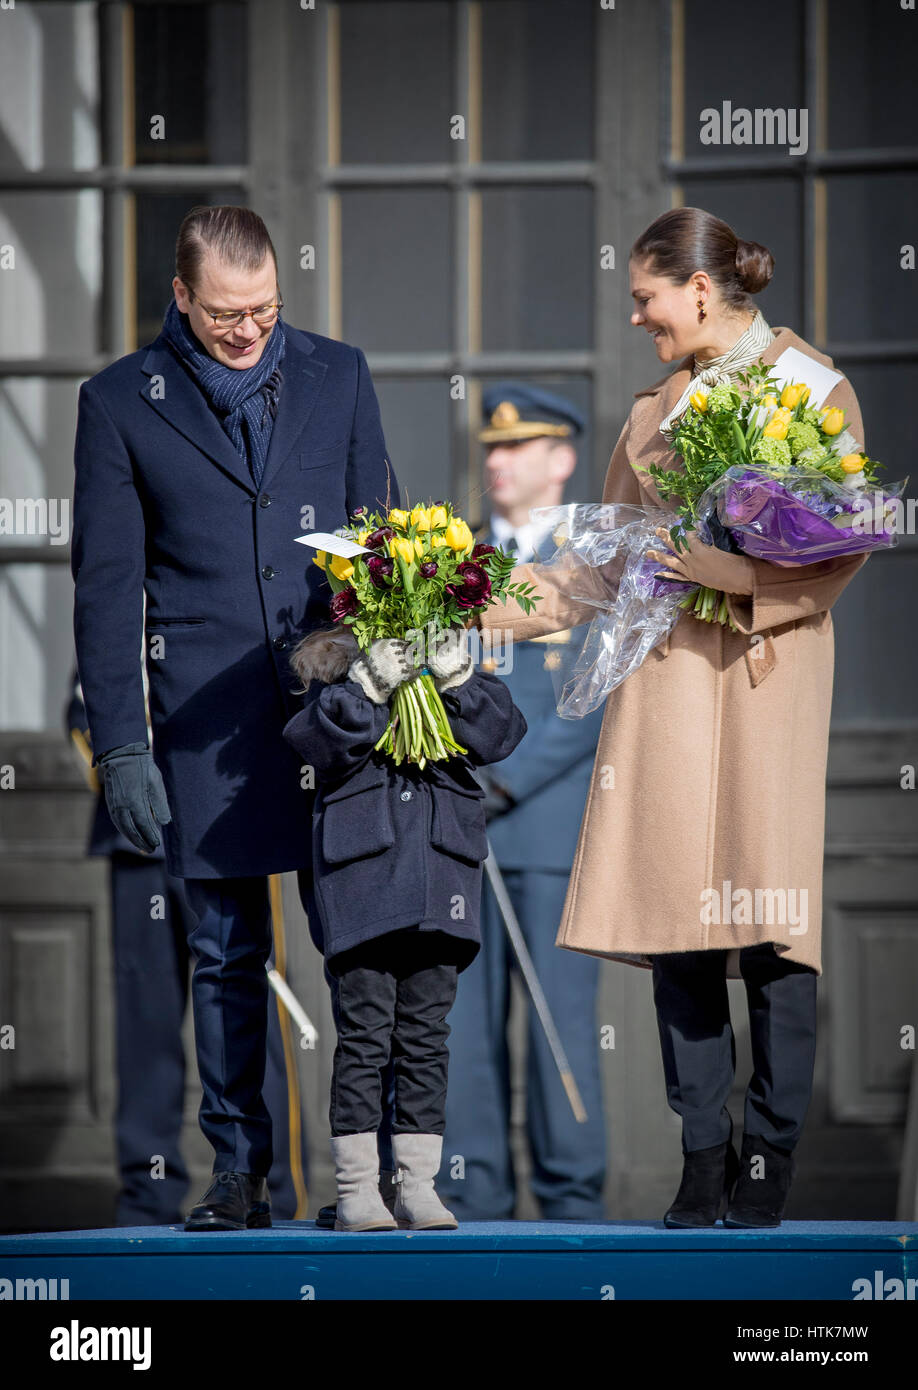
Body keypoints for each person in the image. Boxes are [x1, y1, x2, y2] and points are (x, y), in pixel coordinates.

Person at [470, 206, 871, 1229]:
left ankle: (767, 1157)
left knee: (775, 931)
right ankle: (702, 1156)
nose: (640, 321)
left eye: (647, 300)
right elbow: (588, 571)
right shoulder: (655, 409)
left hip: (763, 683)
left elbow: (826, 568)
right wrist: (453, 602)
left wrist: (711, 565)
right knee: (679, 932)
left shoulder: (814, 389)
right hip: (664, 695)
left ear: (698, 288)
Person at [71, 204, 398, 1232]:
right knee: (221, 956)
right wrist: (122, 742)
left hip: (334, 716)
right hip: (201, 728)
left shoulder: (340, 375)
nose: (247, 331)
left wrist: (399, 688)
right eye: (224, 315)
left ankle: (367, 1176)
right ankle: (239, 1172)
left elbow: (384, 544)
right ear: (180, 296)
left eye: (262, 310)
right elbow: (106, 586)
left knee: (358, 947)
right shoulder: (121, 401)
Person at [281, 625, 527, 1230]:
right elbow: (314, 742)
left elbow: (501, 734)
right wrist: (367, 685)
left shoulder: (448, 655)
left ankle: (418, 1185)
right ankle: (358, 1189)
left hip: (441, 871)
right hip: (364, 874)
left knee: (424, 1036)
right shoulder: (335, 664)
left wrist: (458, 678)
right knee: (365, 1033)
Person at [436, 383, 607, 1221]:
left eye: (520, 447)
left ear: (562, 459)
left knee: (557, 1029)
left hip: (545, 827)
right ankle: (475, 1205)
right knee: (461, 1034)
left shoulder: (593, 554)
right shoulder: (454, 556)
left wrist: (503, 779)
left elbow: (597, 695)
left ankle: (574, 1207)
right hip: (458, 835)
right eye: (493, 448)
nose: (496, 461)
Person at [66, 663, 310, 1225]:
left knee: (248, 1010)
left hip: (222, 829)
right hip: (136, 843)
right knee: (145, 1030)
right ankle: (145, 1197)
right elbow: (82, 711)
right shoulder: (126, 614)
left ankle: (275, 1186)